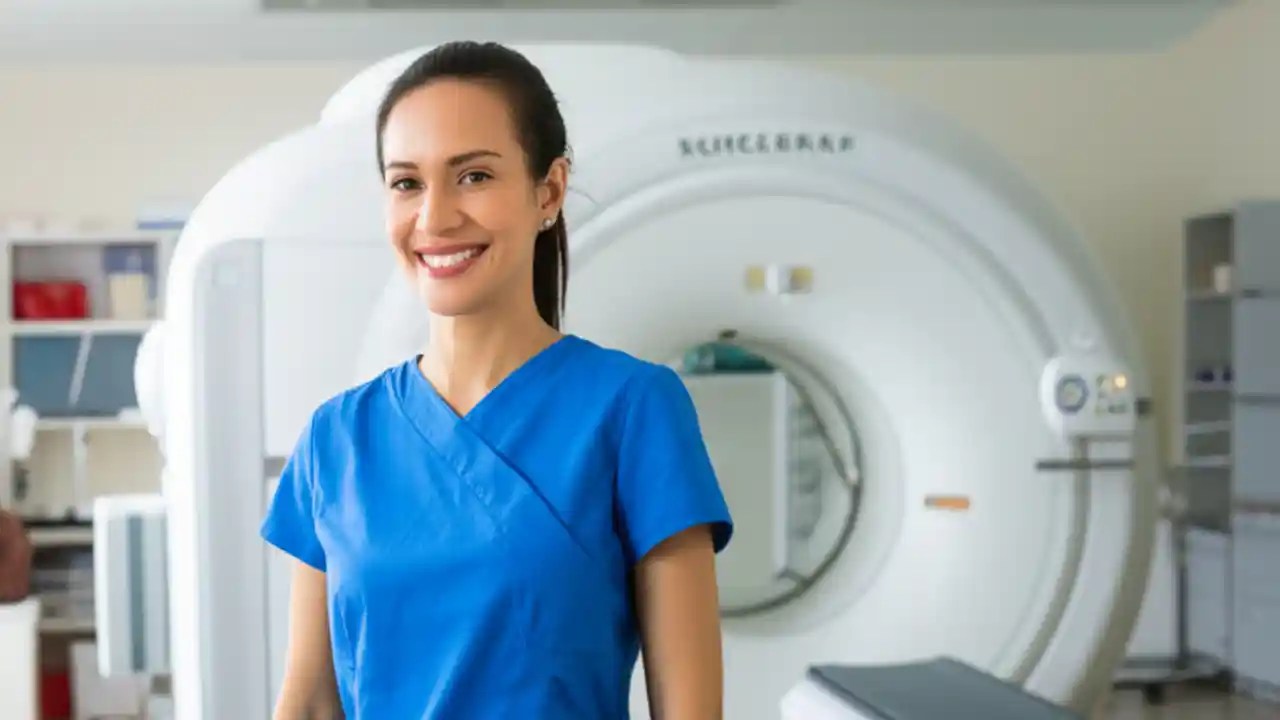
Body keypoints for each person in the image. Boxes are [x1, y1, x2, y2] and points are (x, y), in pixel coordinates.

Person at [260, 41, 735, 719]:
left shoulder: (633, 410)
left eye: (474, 176)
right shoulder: (338, 437)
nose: (435, 216)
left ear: (549, 190)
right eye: (407, 183)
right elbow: (309, 702)